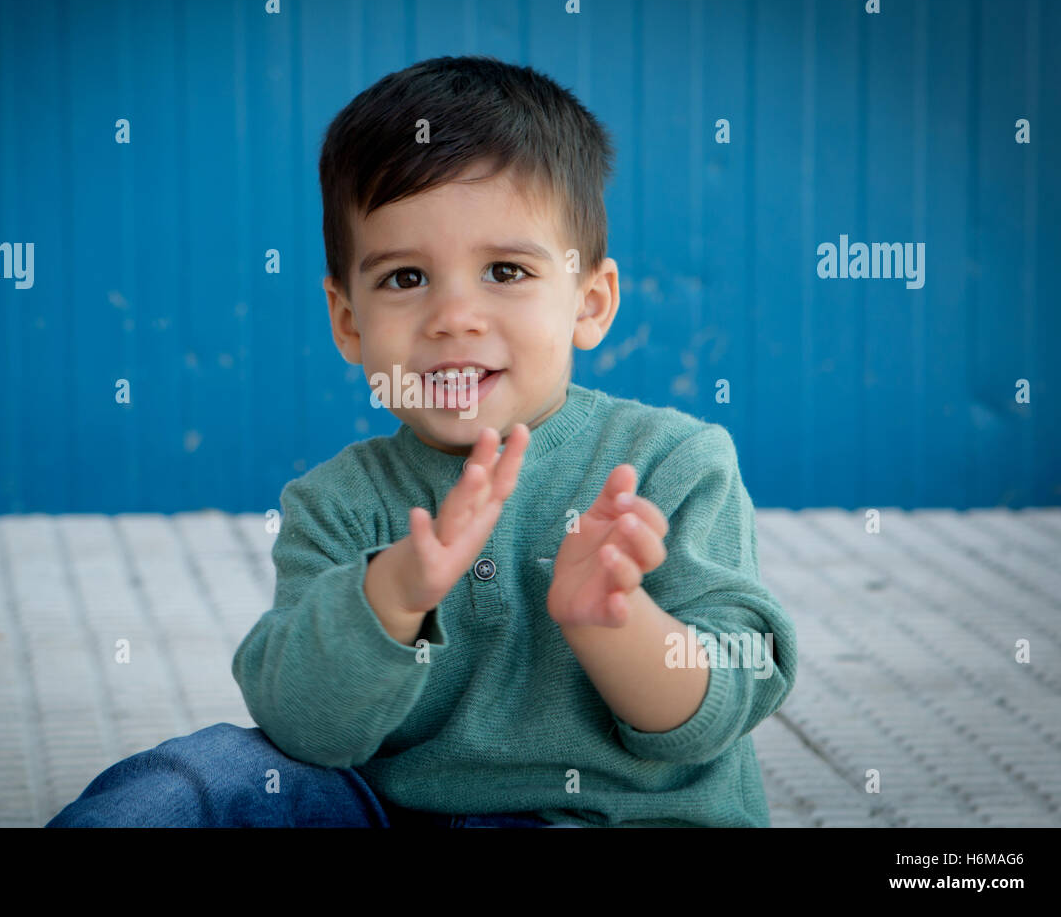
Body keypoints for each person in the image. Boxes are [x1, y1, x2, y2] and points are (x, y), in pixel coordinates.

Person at [48, 54, 796, 828]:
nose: (452, 317)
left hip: (609, 821)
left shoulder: (671, 464)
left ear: (591, 302)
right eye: (405, 279)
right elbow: (307, 727)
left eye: (505, 270)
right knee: (211, 772)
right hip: (392, 814)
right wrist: (391, 595)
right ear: (348, 322)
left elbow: (730, 697)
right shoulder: (339, 503)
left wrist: (611, 619)